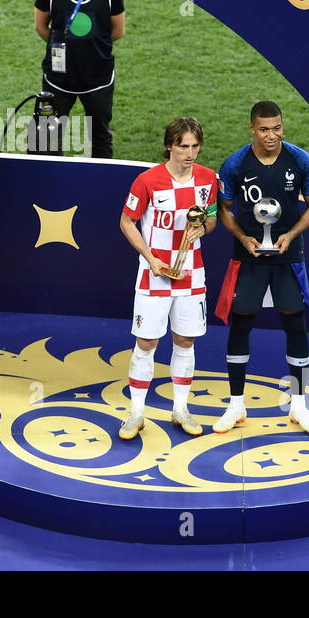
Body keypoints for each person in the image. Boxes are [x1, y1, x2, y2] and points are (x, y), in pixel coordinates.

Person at [214, 101, 309, 435]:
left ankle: (300, 405)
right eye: (264, 129)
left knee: (295, 322)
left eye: (277, 128)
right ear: (252, 129)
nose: (271, 135)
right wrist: (243, 237)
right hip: (248, 256)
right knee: (241, 322)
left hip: (288, 256)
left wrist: (290, 235)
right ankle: (235, 405)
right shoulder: (235, 164)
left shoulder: (300, 160)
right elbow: (224, 210)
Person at [117, 117, 217, 440]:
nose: (190, 153)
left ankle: (181, 409)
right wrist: (151, 259)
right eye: (183, 146)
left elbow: (211, 219)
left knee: (185, 341)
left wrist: (202, 228)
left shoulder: (208, 179)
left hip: (192, 275)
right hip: (154, 276)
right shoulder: (147, 181)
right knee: (146, 343)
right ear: (169, 146)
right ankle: (136, 413)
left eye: (194, 147)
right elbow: (126, 222)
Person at [33, 0, 125, 158]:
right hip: (59, 78)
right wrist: (61, 45)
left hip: (98, 78)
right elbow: (40, 26)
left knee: (100, 138)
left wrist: (95, 47)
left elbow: (118, 30)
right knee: (48, 138)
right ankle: (48, 183)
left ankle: (101, 182)